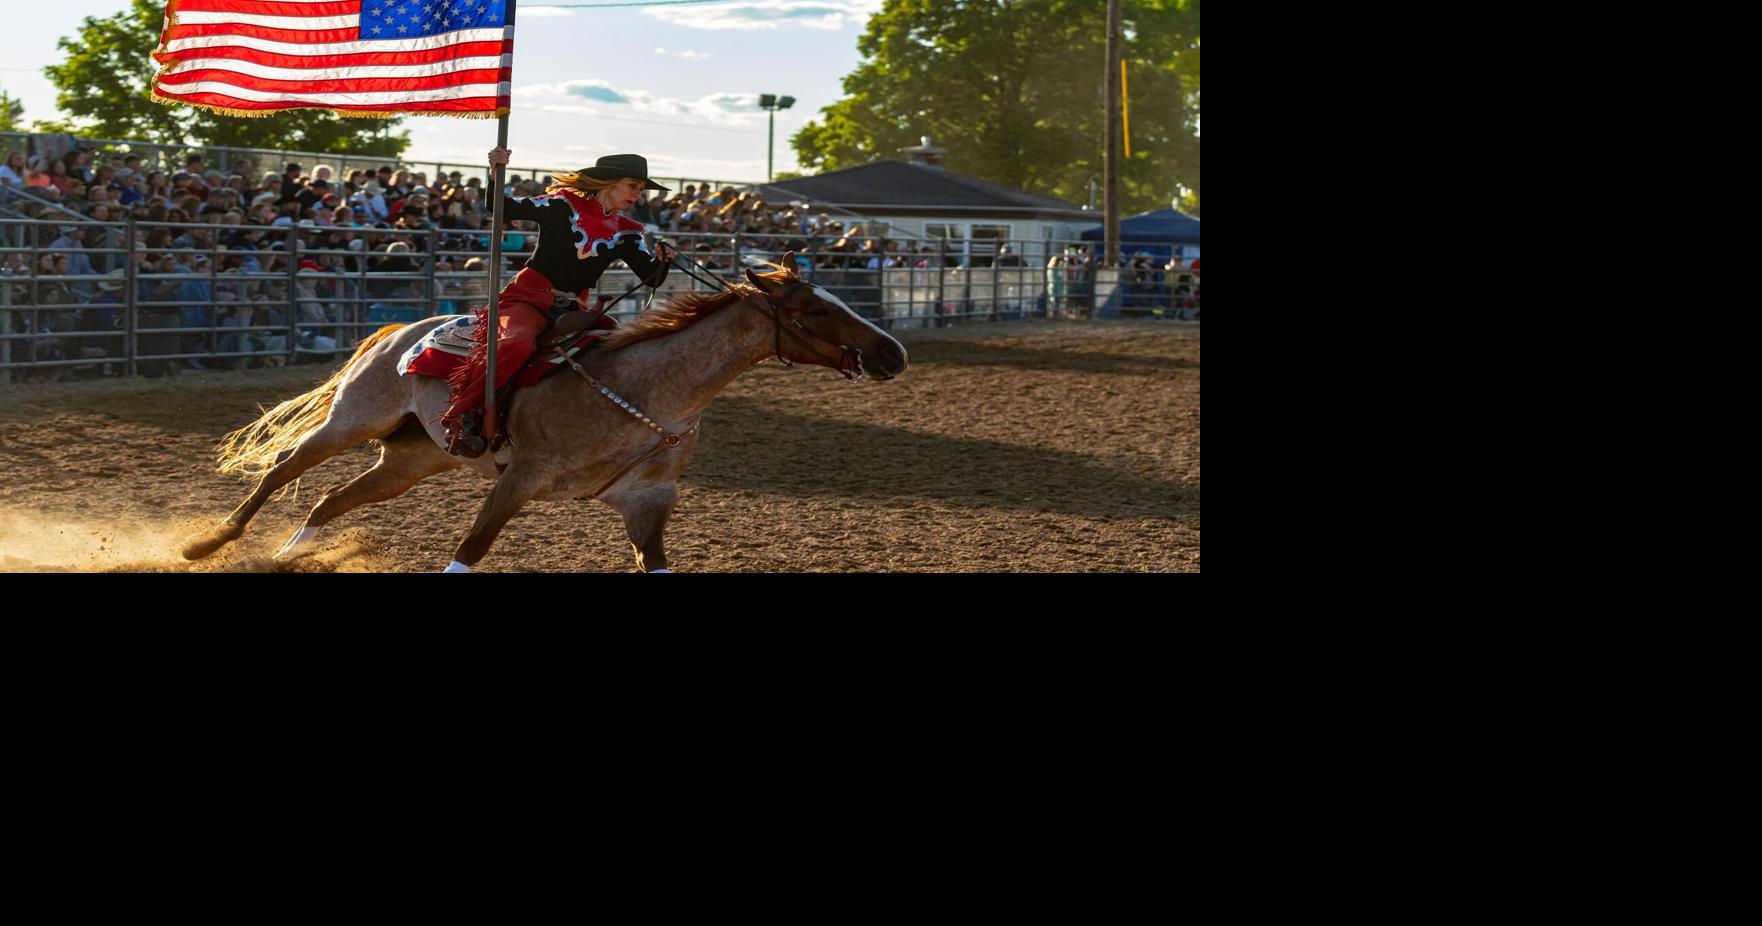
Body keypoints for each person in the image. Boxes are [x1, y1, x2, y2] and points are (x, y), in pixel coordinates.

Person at [439, 147, 679, 457]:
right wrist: (497, 171)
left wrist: (663, 261)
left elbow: (652, 278)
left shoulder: (628, 232)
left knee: (620, 351)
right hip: (526, 299)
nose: (638, 193)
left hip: (574, 311)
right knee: (515, 344)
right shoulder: (561, 204)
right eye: (632, 185)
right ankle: (466, 416)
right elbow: (503, 207)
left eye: (641, 188)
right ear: (608, 182)